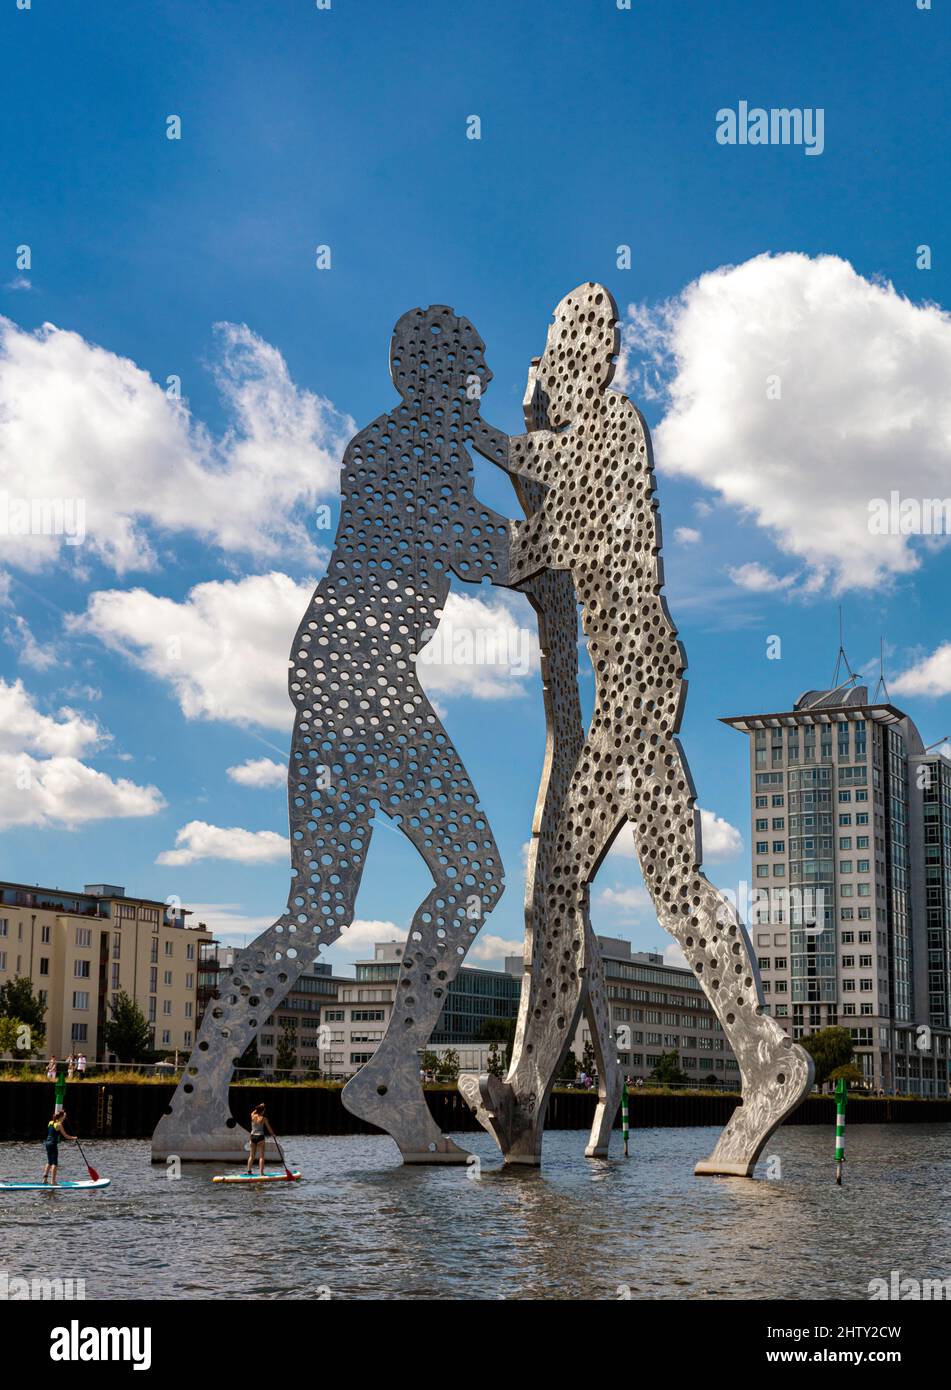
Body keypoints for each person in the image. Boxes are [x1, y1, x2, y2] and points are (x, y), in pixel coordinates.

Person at [42, 1109, 76, 1186]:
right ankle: (53, 1181)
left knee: (49, 1162)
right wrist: (74, 1138)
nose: (64, 1117)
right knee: (55, 1163)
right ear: (61, 1117)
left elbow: (56, 1125)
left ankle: (44, 1179)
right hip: (53, 1144)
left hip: (47, 1143)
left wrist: (63, 1115)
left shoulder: (50, 1122)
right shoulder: (59, 1125)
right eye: (63, 1116)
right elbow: (66, 1136)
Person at [247, 1103, 275, 1176]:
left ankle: (249, 1171)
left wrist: (260, 1106)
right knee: (261, 1156)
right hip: (260, 1137)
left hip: (252, 1137)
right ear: (262, 1111)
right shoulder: (264, 1119)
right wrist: (273, 1135)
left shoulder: (252, 1116)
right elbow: (269, 1129)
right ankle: (261, 1173)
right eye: (264, 1110)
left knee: (251, 1156)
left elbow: (254, 1111)